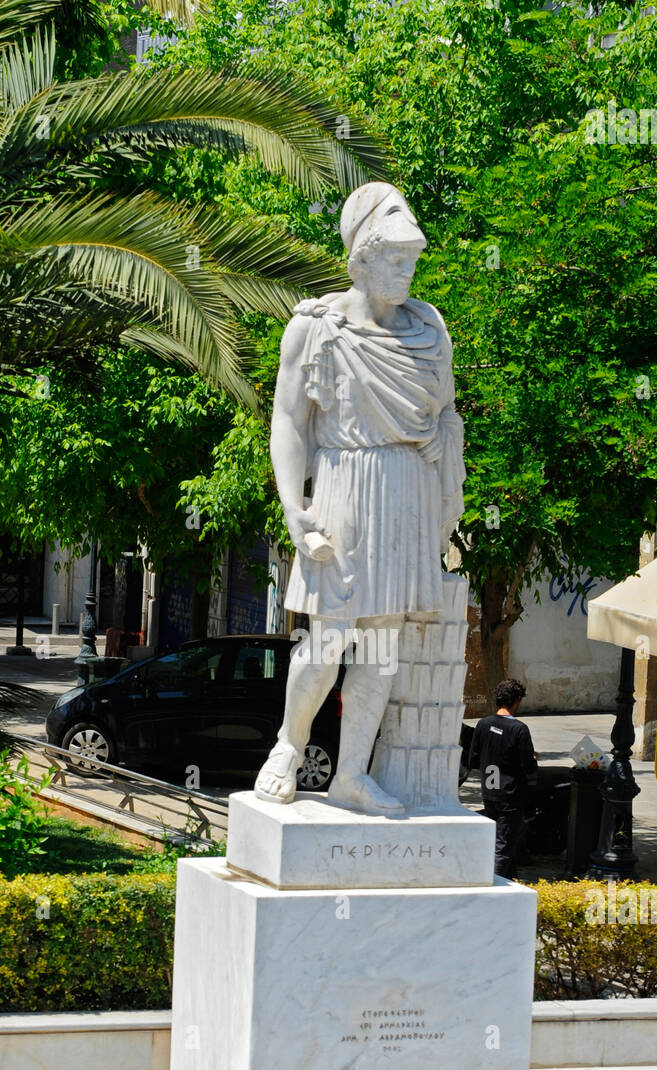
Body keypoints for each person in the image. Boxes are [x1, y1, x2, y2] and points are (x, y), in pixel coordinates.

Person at [253, 181, 465, 815]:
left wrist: (444, 496)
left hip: (407, 490)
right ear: (362, 258)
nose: (407, 270)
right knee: (326, 644)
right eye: (395, 258)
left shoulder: (429, 329)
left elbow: (446, 413)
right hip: (345, 486)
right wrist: (296, 510)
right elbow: (288, 422)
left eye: (413, 259)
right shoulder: (317, 328)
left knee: (382, 649)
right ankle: (289, 747)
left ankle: (350, 774)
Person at [469, 677, 537, 878]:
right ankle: (494, 886)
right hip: (510, 795)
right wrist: (532, 759)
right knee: (503, 846)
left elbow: (473, 759)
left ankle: (509, 879)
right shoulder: (519, 729)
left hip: (489, 792)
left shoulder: (483, 724)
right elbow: (528, 767)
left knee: (499, 841)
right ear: (517, 701)